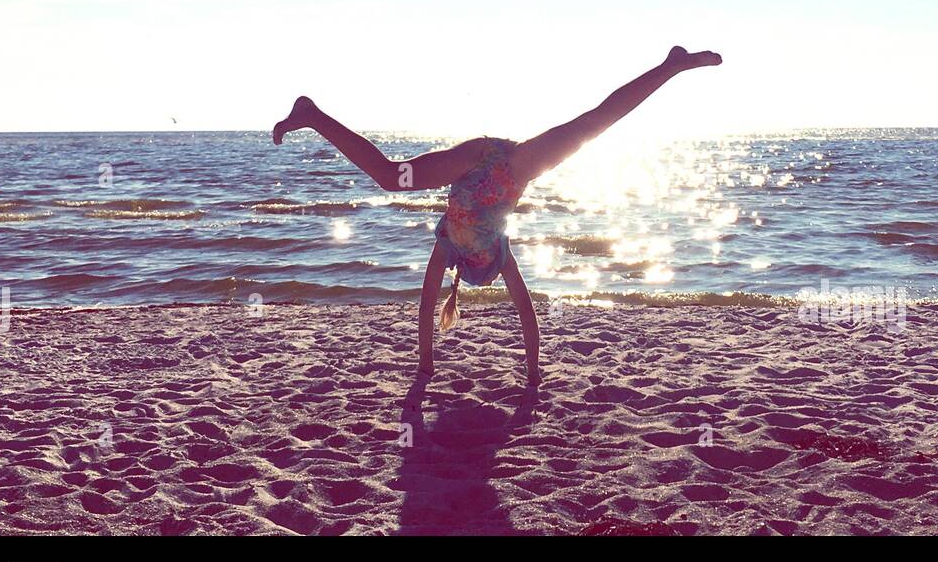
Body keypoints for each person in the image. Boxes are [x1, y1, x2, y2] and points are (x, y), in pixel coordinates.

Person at [272, 45, 721, 384]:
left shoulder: (447, 248)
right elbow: (526, 312)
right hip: (512, 168)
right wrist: (534, 373)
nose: (488, 268)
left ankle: (312, 115)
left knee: (392, 178)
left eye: (483, 271)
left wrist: (425, 366)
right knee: (591, 126)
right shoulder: (501, 254)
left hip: (475, 162)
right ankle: (671, 65)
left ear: (470, 269)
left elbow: (428, 305)